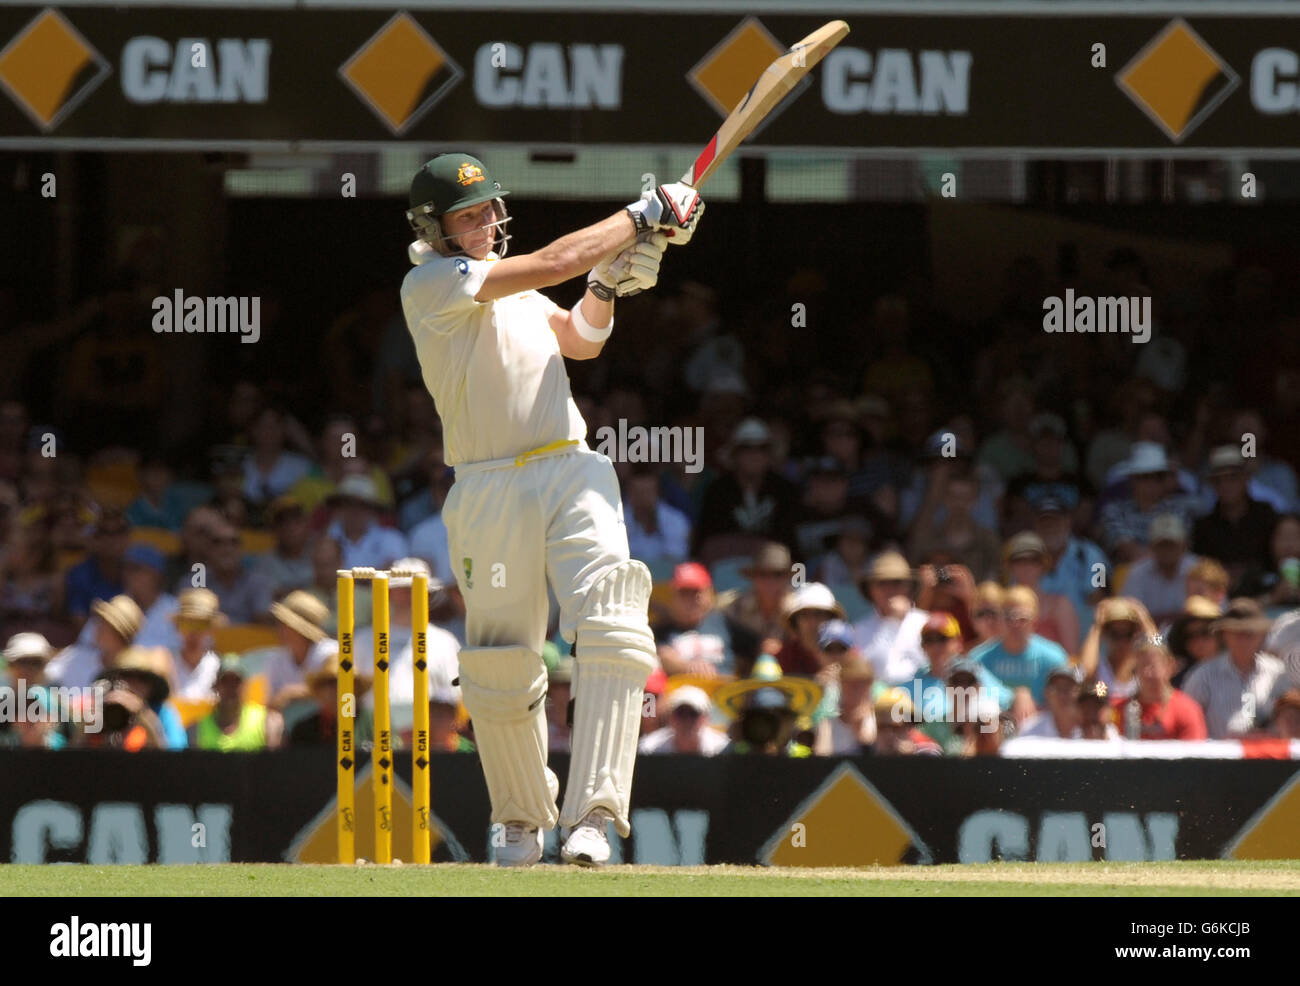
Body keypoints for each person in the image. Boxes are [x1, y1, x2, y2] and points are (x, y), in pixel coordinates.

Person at [400, 153, 700, 867]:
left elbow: (582, 338)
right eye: (467, 216)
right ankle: (519, 821)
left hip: (571, 467)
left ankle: (594, 814)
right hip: (488, 482)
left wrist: (605, 285)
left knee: (614, 623)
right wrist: (640, 216)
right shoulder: (433, 284)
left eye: (486, 211)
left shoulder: (521, 293)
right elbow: (552, 260)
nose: (483, 223)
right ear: (435, 231)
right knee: (502, 661)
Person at [1182, 598, 1287, 738]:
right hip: (1219, 756)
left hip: (1269, 755)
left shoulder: (1277, 672)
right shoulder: (1203, 675)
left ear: (1262, 635)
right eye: (1237, 634)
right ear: (1225, 635)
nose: (1243, 640)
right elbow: (1186, 718)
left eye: (1249, 634)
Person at [966, 585, 1068, 724]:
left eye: (1022, 619)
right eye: (1009, 618)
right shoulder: (978, 658)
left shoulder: (1053, 657)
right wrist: (1016, 697)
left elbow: (1064, 699)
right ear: (1000, 619)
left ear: (1035, 621)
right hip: (994, 729)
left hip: (1041, 728)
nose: (1015, 625)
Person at [1193, 446, 1277, 592]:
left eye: (1232, 477)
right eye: (1218, 480)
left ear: (1246, 478)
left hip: (1267, 593)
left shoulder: (1266, 515)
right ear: (1212, 484)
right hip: (1220, 599)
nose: (1225, 485)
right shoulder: (1203, 527)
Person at [714, 655, 822, 757]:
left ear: (790, 720)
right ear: (743, 721)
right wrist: (734, 744)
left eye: (778, 714)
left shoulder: (802, 758)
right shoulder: (733, 755)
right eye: (758, 717)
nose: (766, 725)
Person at [852, 551, 929, 684]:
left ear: (909, 587)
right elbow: (876, 670)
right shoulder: (858, 629)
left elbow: (930, 664)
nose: (890, 589)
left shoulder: (925, 622)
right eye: (882, 583)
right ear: (870, 589)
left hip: (921, 697)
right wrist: (892, 622)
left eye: (897, 582)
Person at [719, 541, 794, 673]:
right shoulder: (733, 606)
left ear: (787, 578)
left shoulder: (799, 610)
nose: (770, 582)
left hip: (790, 675)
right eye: (763, 574)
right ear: (753, 577)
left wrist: (784, 651)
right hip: (743, 676)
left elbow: (811, 647)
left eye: (777, 575)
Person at [1113, 639, 1207, 740]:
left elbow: (1194, 751)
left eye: (1153, 666)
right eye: (1142, 666)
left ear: (1170, 666)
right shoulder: (1119, 709)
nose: (1147, 673)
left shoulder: (1187, 709)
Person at [1002, 531, 1080, 653]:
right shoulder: (1000, 603)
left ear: (1043, 565)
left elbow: (1072, 656)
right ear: (1010, 566)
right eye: (1020, 560)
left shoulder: (1060, 605)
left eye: (1034, 560)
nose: (1027, 566)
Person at [45, 594, 143, 690]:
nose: (98, 627)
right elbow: (47, 676)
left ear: (119, 635)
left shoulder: (135, 674)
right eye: (101, 622)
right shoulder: (78, 656)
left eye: (106, 625)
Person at [653, 562, 734, 677]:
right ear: (674, 597)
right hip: (680, 689)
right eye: (684, 593)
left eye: (696, 593)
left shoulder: (724, 622)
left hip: (722, 687)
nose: (690, 601)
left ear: (709, 594)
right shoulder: (661, 630)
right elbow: (662, 658)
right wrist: (687, 666)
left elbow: (757, 646)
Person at [194, 654, 283, 751]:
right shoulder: (200, 727)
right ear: (216, 686)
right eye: (225, 681)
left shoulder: (263, 721)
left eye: (236, 681)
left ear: (245, 686)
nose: (231, 687)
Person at [286, 652, 374, 747]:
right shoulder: (303, 731)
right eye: (330, 682)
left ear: (356, 688)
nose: (338, 688)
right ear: (319, 691)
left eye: (345, 682)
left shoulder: (374, 722)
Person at [1077, 597, 1157, 700]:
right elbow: (1085, 672)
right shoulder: (1100, 671)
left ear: (1136, 633)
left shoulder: (1142, 669)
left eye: (1128, 634)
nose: (1122, 641)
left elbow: (1159, 655)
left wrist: (1145, 620)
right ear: (1105, 634)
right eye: (1115, 634)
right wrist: (1097, 626)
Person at [775, 582, 845, 676]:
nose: (812, 622)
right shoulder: (784, 656)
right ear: (795, 621)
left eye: (818, 614)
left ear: (831, 619)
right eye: (805, 615)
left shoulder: (846, 652)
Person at [638, 685, 728, 755]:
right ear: (670, 718)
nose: (687, 720)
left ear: (706, 719)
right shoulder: (650, 749)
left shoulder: (721, 749)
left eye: (693, 714)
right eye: (680, 713)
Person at [1168, 595, 1224, 688]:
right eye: (1190, 635)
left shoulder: (1239, 668)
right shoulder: (1178, 681)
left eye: (1205, 632)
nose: (1198, 641)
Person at [1019, 665, 1084, 738]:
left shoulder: (1090, 730)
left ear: (1080, 693)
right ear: (1046, 693)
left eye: (1068, 688)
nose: (1062, 695)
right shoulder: (1030, 731)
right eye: (1057, 688)